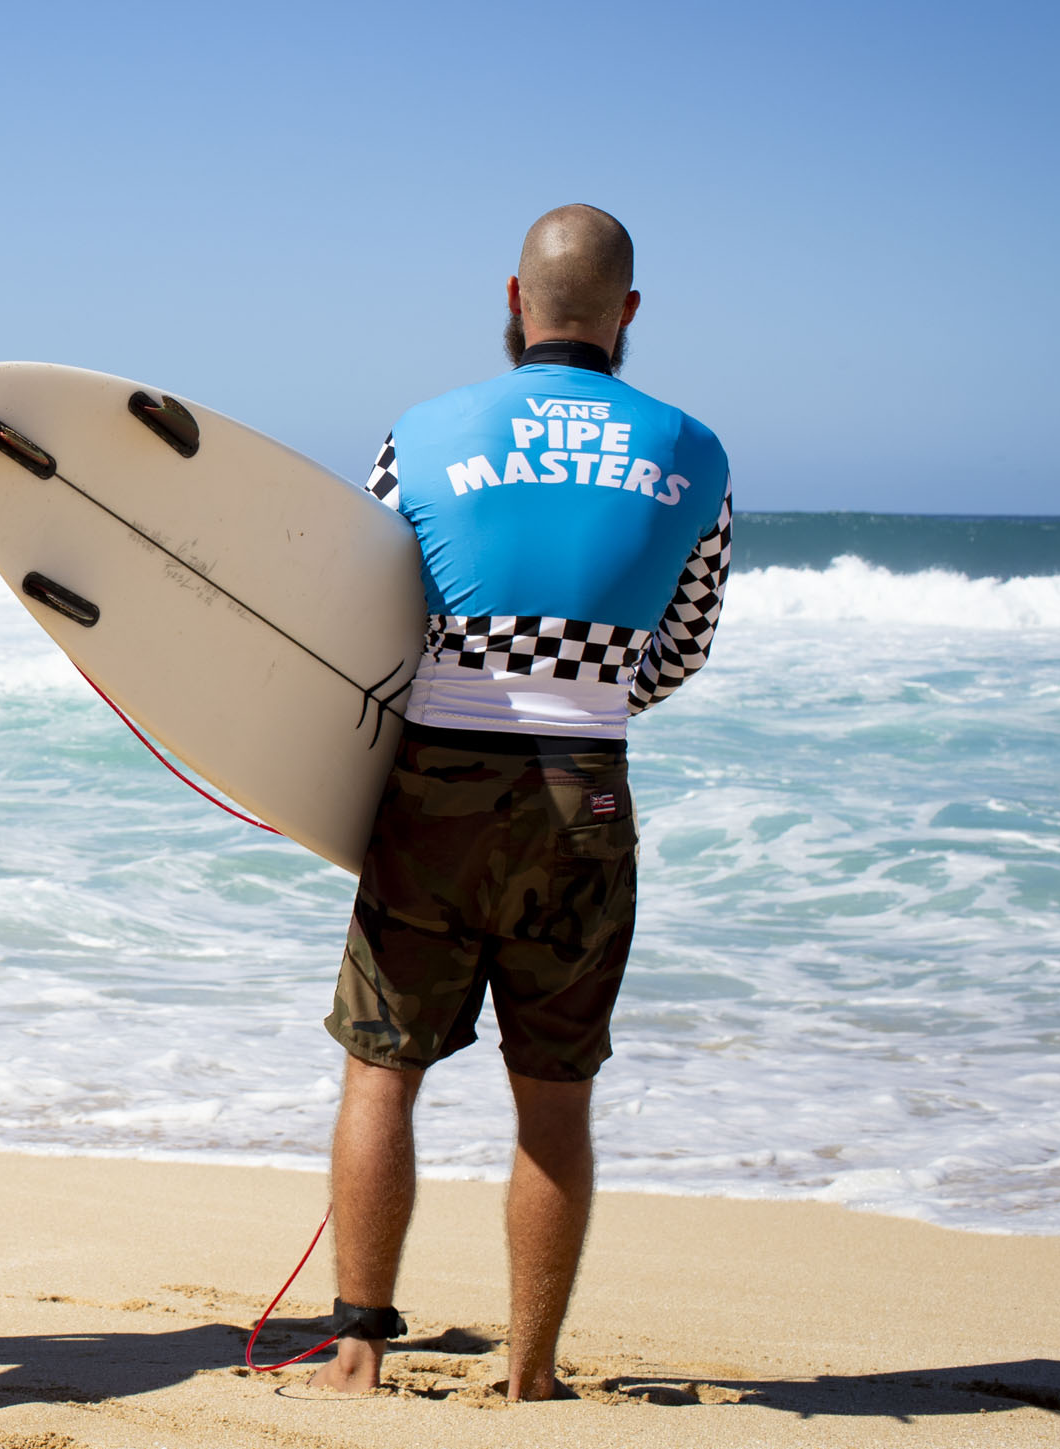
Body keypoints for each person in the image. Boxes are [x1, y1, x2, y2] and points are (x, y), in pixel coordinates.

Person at [304, 205, 731, 1401]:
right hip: (584, 793)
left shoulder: (424, 431)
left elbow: (358, 613)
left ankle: (355, 1349)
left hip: (435, 778)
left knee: (381, 1068)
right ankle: (530, 1372)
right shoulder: (693, 452)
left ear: (512, 299)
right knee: (554, 1093)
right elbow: (682, 644)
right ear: (626, 311)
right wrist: (582, 703)